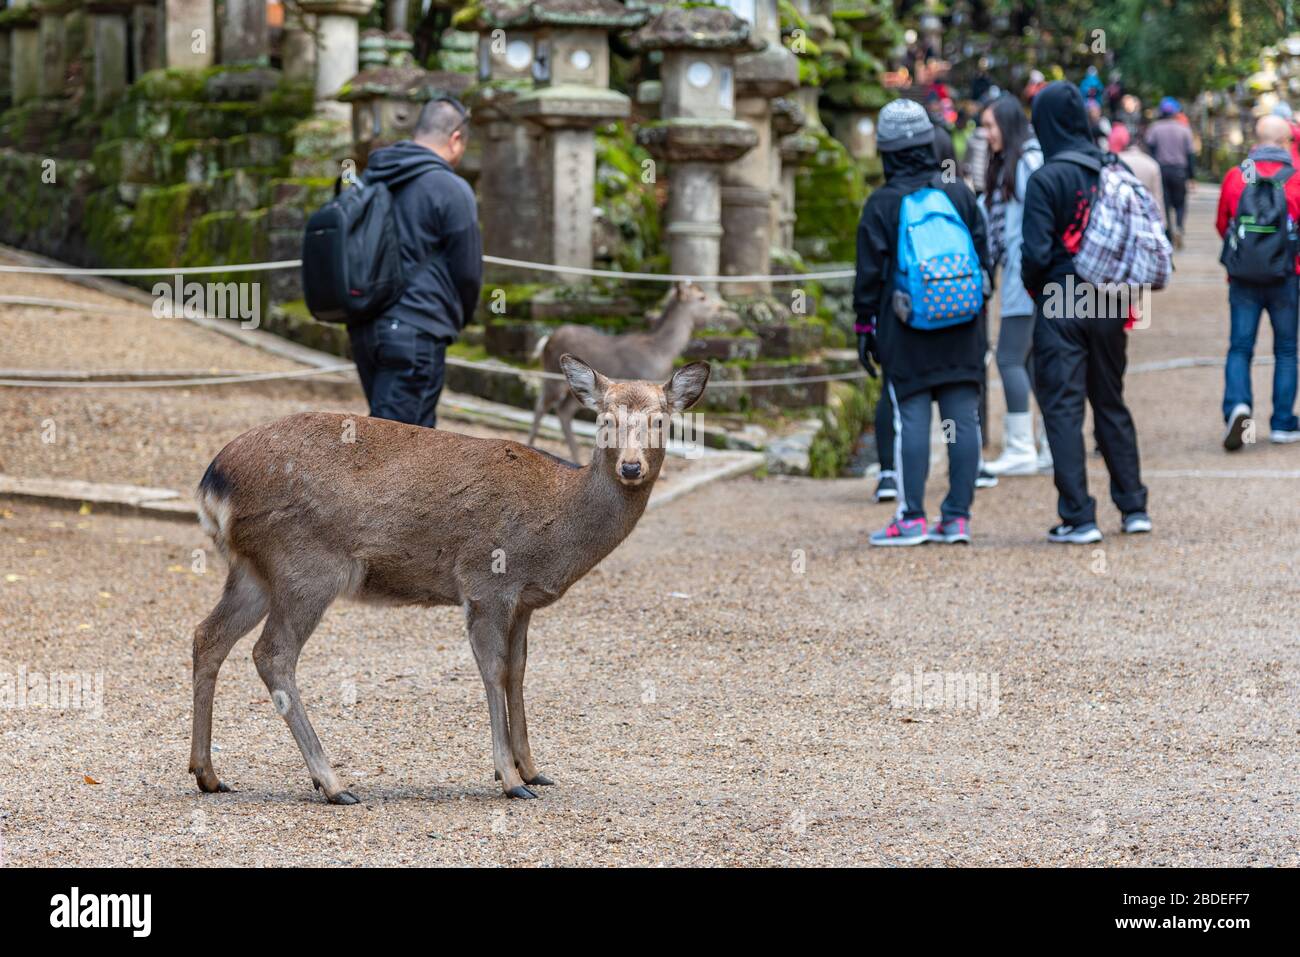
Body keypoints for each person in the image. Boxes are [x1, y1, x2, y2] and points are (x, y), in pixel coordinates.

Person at [853, 99, 991, 546]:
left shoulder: (882, 204)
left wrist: (864, 329)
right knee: (962, 419)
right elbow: (985, 259)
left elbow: (869, 277)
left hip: (906, 326)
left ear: (887, 151)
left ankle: (911, 517)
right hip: (963, 323)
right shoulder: (959, 194)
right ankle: (956, 518)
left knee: (910, 417)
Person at [1021, 81, 1150, 543]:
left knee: (1063, 409)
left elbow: (1034, 255)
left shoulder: (1046, 178)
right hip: (1111, 298)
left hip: (1061, 297)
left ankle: (1079, 516)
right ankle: (1133, 506)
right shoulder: (1112, 168)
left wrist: (1041, 291)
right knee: (1110, 400)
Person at [348, 97, 482, 428]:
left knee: (383, 435)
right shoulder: (450, 188)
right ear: (455, 139)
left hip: (366, 326)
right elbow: (467, 271)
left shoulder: (371, 176)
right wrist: (458, 317)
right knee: (402, 450)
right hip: (417, 329)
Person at [1215, 114, 1300, 449]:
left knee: (1240, 347)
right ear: (1285, 143)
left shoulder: (1237, 176)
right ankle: (1282, 423)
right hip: (1287, 275)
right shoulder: (1295, 178)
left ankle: (1239, 407)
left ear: (1256, 138)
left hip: (1243, 277)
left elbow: (1224, 224)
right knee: (1285, 350)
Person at [980, 95, 1048, 476]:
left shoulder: (1024, 163)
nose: (987, 135)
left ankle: (1020, 446)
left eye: (991, 126)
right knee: (1032, 361)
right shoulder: (1022, 161)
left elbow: (1028, 228)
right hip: (1026, 276)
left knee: (1009, 358)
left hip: (1025, 277)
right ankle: (1049, 441)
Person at [1145, 97, 1196, 249]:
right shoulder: (1184, 129)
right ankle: (1179, 227)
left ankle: (1168, 232)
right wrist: (1191, 176)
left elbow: (1150, 150)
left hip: (1161, 170)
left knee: (1164, 203)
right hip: (1179, 171)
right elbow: (1190, 155)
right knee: (1180, 203)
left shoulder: (1155, 128)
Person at [1109, 124, 1165, 226]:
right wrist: (1162, 223)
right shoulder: (1152, 164)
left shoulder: (1115, 162)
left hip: (1122, 218)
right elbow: (1158, 197)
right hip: (1146, 219)